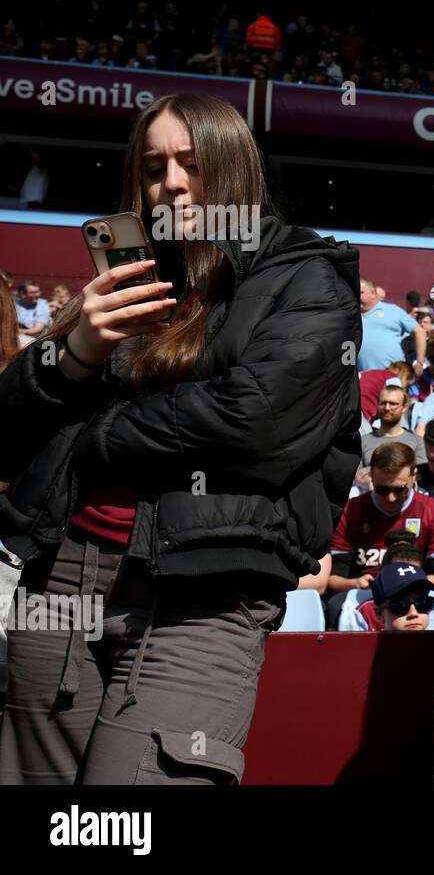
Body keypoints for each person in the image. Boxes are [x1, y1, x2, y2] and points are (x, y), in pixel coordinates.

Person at [0, 92, 361, 784]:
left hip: (205, 593)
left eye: (192, 164)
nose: (171, 183)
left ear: (234, 170)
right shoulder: (122, 285)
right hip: (64, 579)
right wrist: (76, 350)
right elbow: (8, 433)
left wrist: (97, 433)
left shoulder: (305, 277)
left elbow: (253, 419)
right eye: (154, 166)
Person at [325, 443, 434, 627]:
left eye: (400, 489)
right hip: (366, 595)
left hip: (417, 596)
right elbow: (335, 576)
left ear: (413, 476)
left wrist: (410, 585)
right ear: (371, 478)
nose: (391, 498)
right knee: (336, 605)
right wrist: (355, 584)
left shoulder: (433, 510)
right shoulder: (351, 511)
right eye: (382, 489)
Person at [359, 278, 425, 373]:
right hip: (364, 377)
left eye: (361, 292)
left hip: (394, 376)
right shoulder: (351, 317)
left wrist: (419, 362)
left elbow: (419, 332)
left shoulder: (392, 311)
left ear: (373, 293)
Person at [361, 382, 428, 466]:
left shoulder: (418, 442)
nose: (387, 408)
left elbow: (420, 476)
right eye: (383, 403)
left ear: (404, 407)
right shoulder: (363, 441)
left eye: (393, 404)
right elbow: (357, 476)